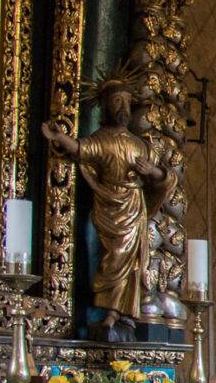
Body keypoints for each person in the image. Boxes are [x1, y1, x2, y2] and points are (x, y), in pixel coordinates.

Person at [42, 79, 170, 326]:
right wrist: (60, 137)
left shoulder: (141, 144)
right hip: (109, 206)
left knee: (133, 263)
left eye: (126, 101)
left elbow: (163, 177)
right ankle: (106, 313)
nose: (122, 107)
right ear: (106, 107)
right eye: (116, 101)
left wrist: (152, 171)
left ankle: (117, 315)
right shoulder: (102, 139)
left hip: (134, 207)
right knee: (112, 258)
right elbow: (81, 149)